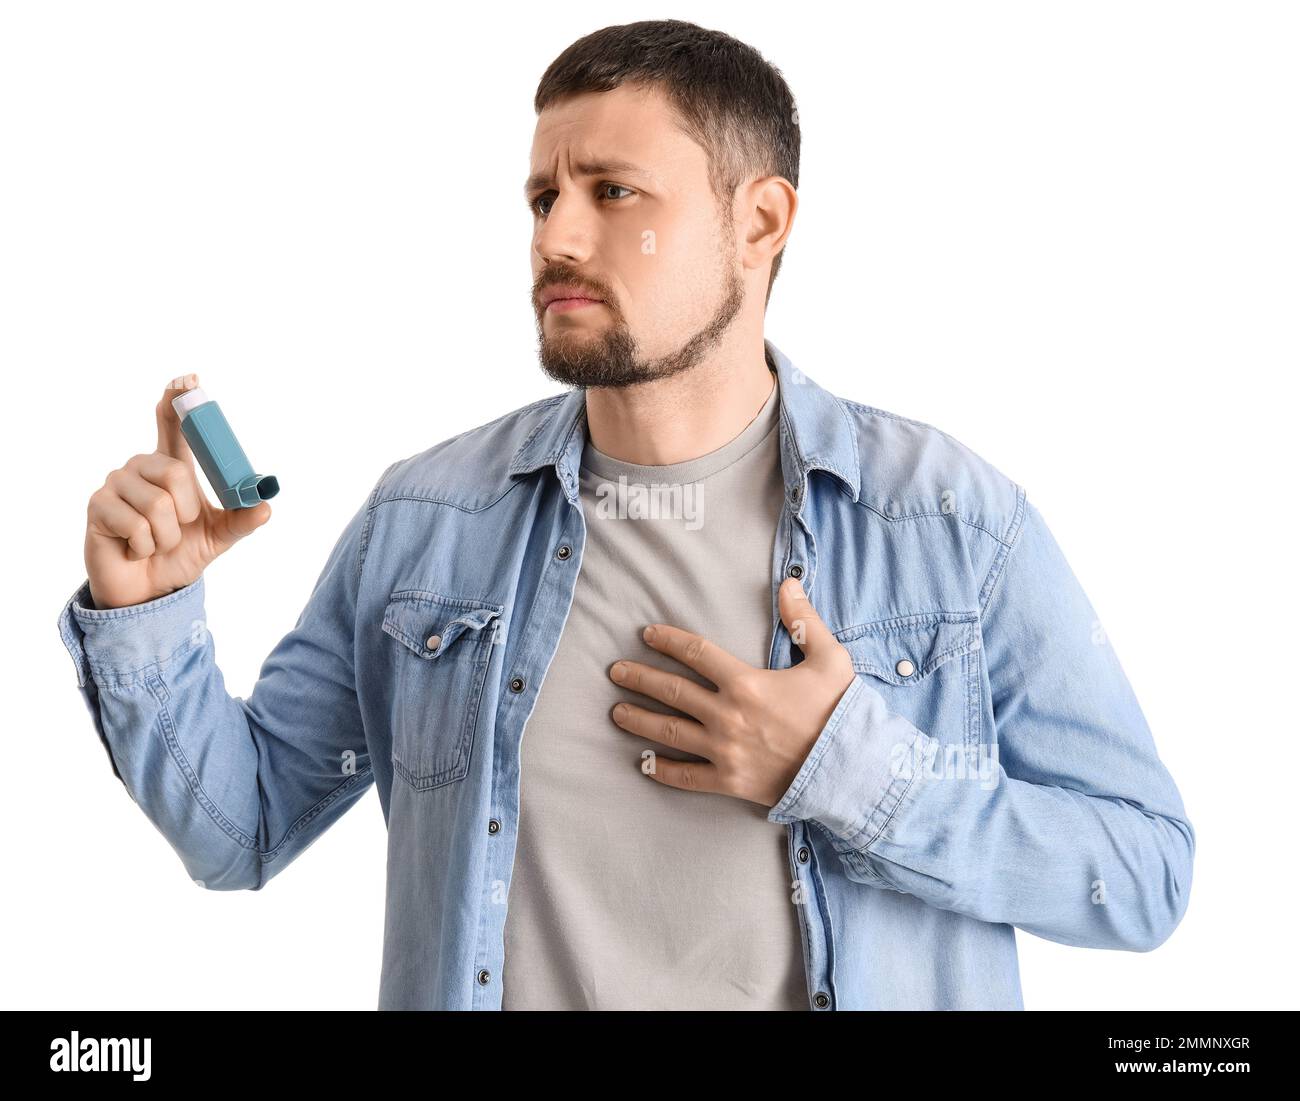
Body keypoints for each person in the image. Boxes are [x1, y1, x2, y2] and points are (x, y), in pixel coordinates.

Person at [57, 19, 1194, 1010]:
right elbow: (241, 830)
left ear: (759, 221)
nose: (554, 236)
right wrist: (148, 614)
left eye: (613, 193)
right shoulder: (426, 524)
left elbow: (1142, 875)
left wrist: (846, 769)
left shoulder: (946, 525)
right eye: (543, 196)